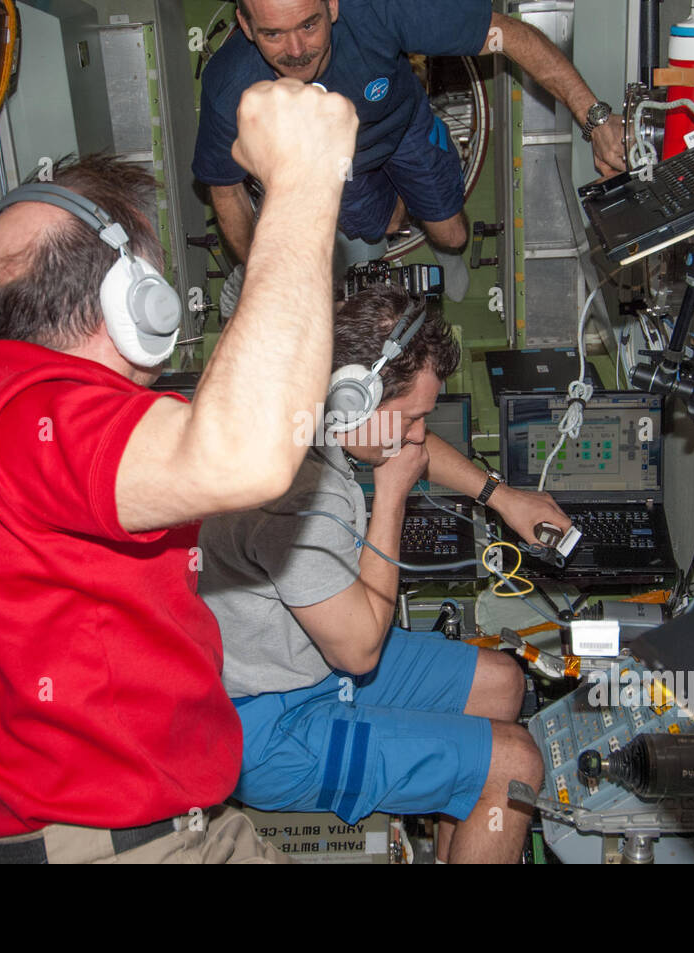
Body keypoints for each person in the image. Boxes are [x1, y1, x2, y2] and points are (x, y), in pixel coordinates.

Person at [0, 79, 359, 863]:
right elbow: (247, 452)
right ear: (139, 303)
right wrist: (306, 176)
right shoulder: (35, 422)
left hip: (158, 828)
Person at [198, 285, 571, 863]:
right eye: (415, 416)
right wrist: (392, 498)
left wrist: (501, 496)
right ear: (356, 399)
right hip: (272, 725)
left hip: (311, 664)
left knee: (503, 682)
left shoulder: (310, 401)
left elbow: (407, 442)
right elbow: (361, 653)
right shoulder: (293, 500)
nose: (421, 432)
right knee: (517, 763)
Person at [193, 0, 626, 303]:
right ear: (246, 27)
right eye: (272, 33)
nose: (295, 50)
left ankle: (433, 209)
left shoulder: (378, 8)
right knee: (389, 222)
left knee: (452, 235)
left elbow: (510, 35)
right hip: (338, 169)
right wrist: (263, 279)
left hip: (401, 126)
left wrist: (597, 118)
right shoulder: (229, 85)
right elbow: (225, 191)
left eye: (309, 25)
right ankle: (404, 205)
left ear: (334, 6)